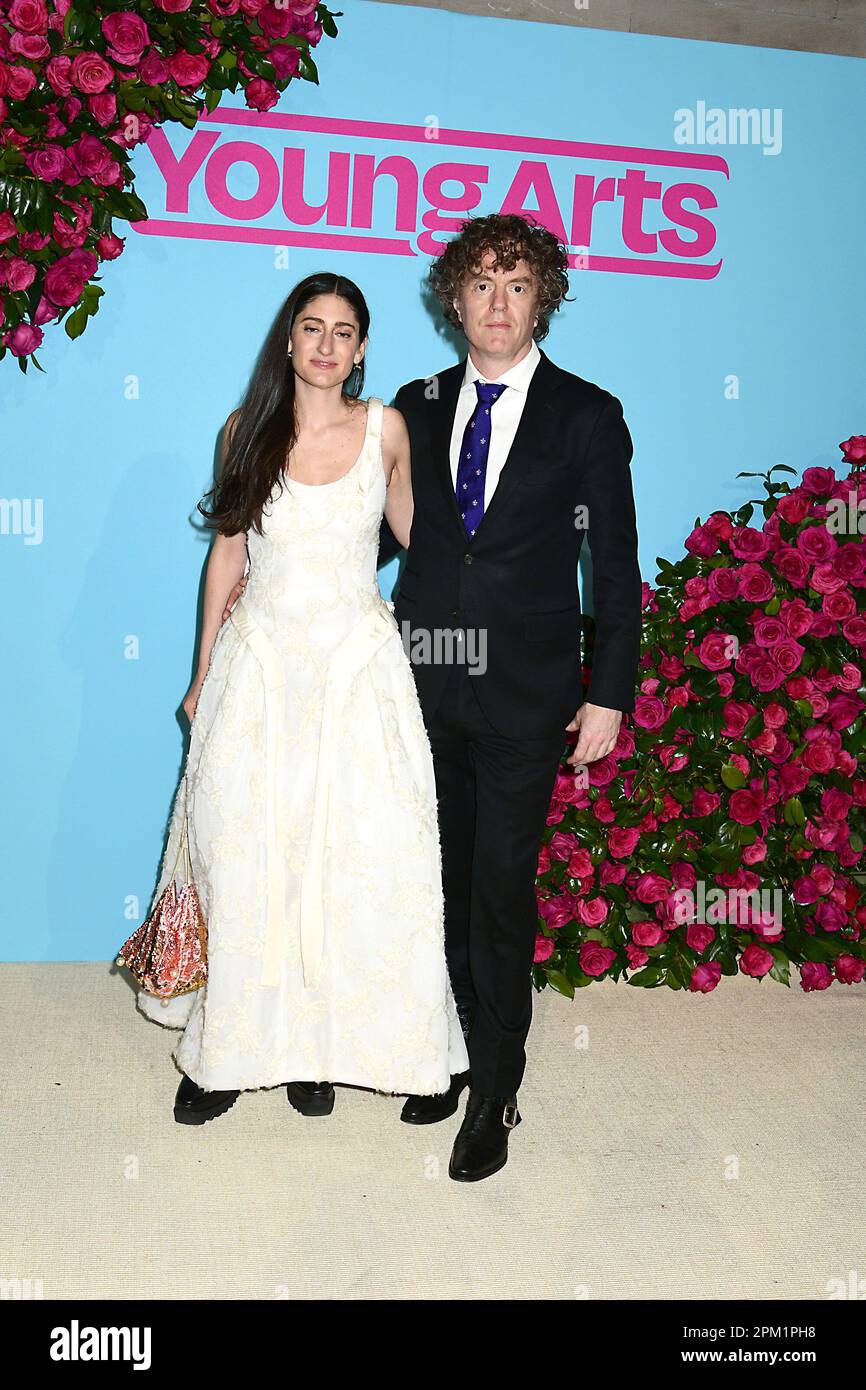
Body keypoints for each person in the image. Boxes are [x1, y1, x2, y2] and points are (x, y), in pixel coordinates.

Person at [130, 272, 469, 1125]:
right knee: (249, 857)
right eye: (311, 327)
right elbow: (228, 558)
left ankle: (324, 1050)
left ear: (361, 348)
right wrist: (203, 673)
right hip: (261, 668)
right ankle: (231, 1055)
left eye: (343, 331)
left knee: (356, 861)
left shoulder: (387, 429)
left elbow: (421, 545)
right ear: (289, 340)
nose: (326, 344)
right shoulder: (244, 431)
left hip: (357, 669)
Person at [377, 213, 642, 1180]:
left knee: (498, 890)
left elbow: (613, 564)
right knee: (437, 882)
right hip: (423, 684)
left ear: (545, 300)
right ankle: (447, 1053)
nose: (498, 302)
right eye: (481, 284)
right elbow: (379, 531)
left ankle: (496, 1086)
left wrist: (608, 690)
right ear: (454, 297)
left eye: (518, 284)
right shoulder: (414, 402)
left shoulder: (587, 414)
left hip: (529, 696)